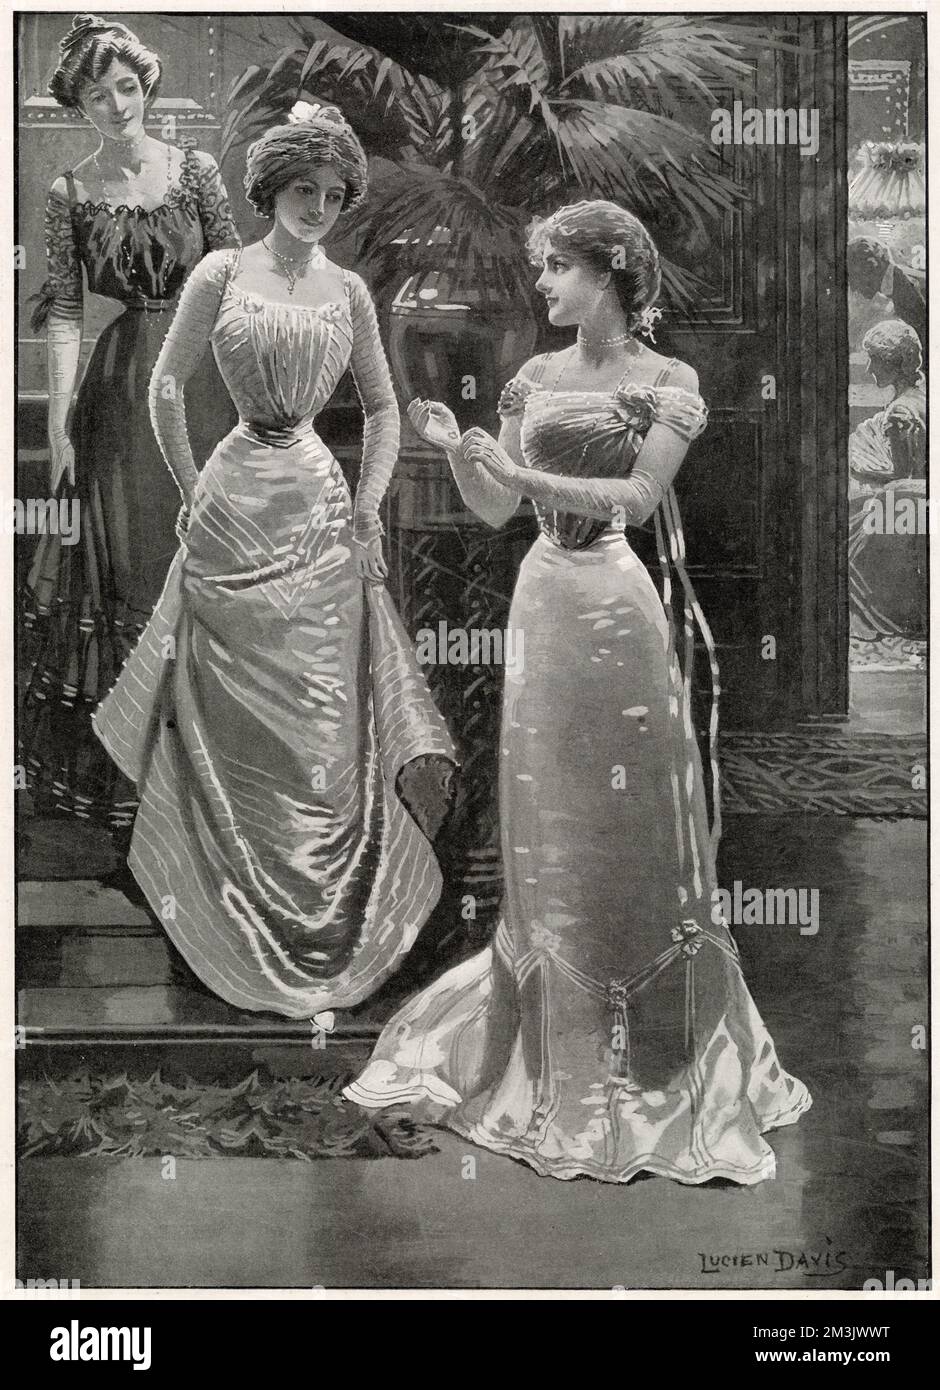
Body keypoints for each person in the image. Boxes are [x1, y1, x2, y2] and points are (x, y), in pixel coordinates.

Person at [345, 200, 811, 1184]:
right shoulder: (531, 380)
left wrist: (512, 463)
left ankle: (657, 1052)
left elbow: (637, 503)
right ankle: (550, 1048)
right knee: (549, 816)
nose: (545, 286)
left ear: (608, 273)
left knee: (632, 816)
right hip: (544, 605)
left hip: (614, 599)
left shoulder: (669, 383)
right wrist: (458, 448)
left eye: (558, 268)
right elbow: (494, 507)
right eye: (543, 268)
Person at [92, 102, 455, 1020]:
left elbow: (380, 409)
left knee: (322, 714)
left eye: (335, 195)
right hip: (231, 493)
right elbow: (166, 384)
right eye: (305, 190)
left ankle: (327, 913)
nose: (319, 208)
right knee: (221, 705)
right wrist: (187, 487)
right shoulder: (220, 271)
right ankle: (220, 895)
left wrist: (368, 507)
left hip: (317, 503)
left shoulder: (349, 292)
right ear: (270, 190)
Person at [22, 13, 240, 858]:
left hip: (202, 382)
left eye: (126, 86)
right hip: (118, 392)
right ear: (77, 104)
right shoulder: (68, 191)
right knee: (135, 569)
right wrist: (59, 417)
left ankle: (217, 784)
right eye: (95, 93)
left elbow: (236, 279)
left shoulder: (195, 171)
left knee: (204, 565)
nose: (116, 104)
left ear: (145, 85)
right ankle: (144, 799)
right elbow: (69, 310)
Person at [849, 319, 927, 653]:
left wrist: (860, 460)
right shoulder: (919, 394)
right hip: (914, 498)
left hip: (908, 503)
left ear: (893, 364)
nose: (868, 368)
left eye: (875, 360)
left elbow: (901, 471)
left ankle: (879, 616)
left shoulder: (901, 412)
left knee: (846, 528)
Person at [847, 237, 926, 351]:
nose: (855, 287)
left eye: (854, 276)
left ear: (871, 265)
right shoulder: (895, 283)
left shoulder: (906, 285)